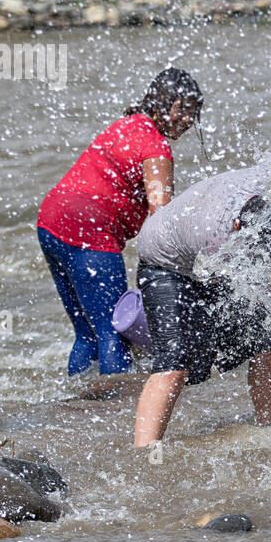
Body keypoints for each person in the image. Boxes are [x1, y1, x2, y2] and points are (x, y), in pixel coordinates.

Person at [38, 68, 201, 377]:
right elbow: (161, 215)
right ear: (168, 105)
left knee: (87, 333)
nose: (188, 120)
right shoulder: (156, 146)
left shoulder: (125, 125)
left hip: (50, 221)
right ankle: (114, 415)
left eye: (192, 112)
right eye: (185, 110)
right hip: (89, 231)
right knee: (115, 333)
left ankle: (76, 405)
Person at [131, 146, 271, 446]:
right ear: (238, 228)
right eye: (253, 251)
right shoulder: (217, 238)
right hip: (163, 263)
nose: (257, 258)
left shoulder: (261, 182)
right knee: (175, 364)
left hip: (194, 255)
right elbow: (262, 292)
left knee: (266, 342)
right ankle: (143, 452)